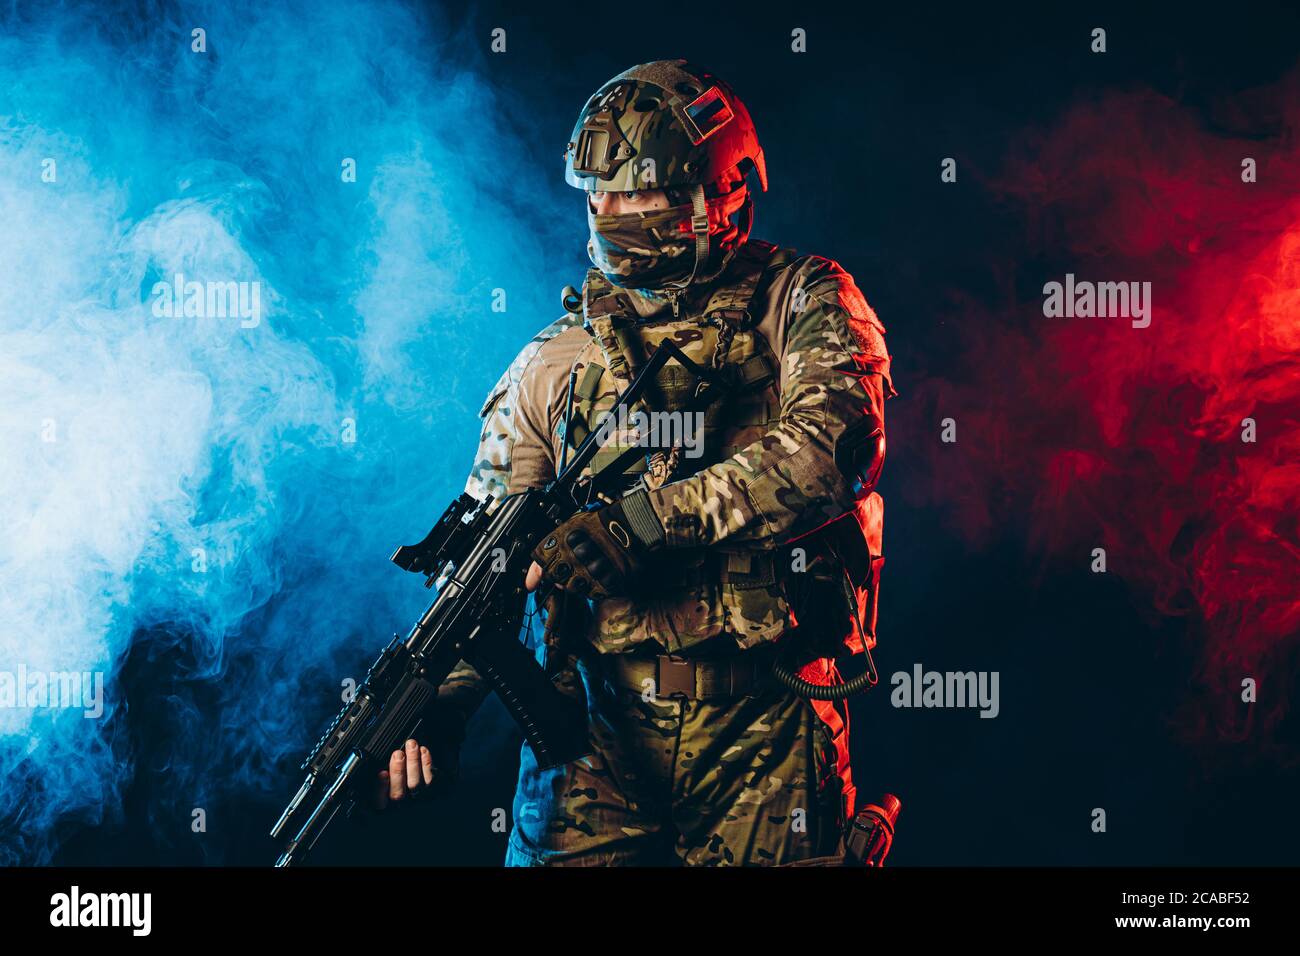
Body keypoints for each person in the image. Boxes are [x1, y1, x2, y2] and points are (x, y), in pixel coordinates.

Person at [377, 59, 895, 866]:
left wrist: (648, 523)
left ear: (714, 192)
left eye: (635, 193)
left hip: (763, 723)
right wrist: (438, 706)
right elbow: (484, 564)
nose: (610, 213)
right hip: (592, 732)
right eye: (596, 196)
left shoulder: (803, 302)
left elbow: (833, 452)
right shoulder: (556, 361)